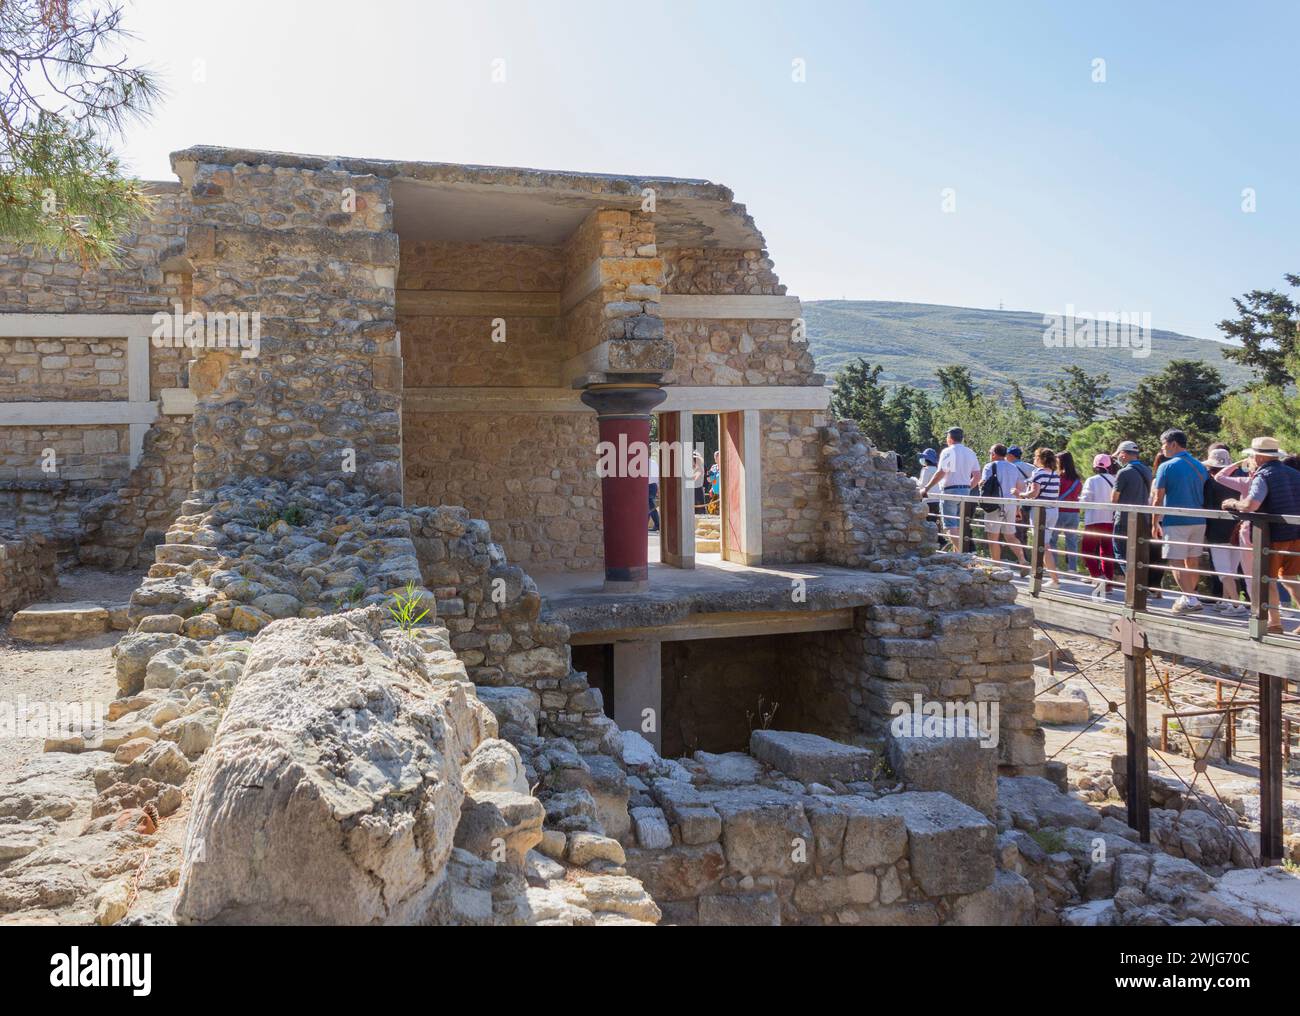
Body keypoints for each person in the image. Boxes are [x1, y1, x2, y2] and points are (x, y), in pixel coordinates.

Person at [1221, 437, 1300, 635]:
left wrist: (1232, 503)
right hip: (1296, 534)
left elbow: (1251, 505)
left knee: (1267, 579)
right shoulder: (1294, 473)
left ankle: (1274, 624)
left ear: (1259, 456)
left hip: (1273, 537)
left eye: (1253, 455)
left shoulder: (1264, 474)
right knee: (1290, 578)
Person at [1150, 429, 1209, 614]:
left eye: (1164, 444)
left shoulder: (1166, 467)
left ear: (1173, 443)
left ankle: (1190, 599)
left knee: (1175, 560)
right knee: (1193, 560)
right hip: (1199, 519)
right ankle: (1191, 596)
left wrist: (1154, 523)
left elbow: (1158, 499)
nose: (1162, 448)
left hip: (1175, 520)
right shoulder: (1199, 465)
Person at [1201, 445, 1248, 614]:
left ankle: (1236, 605)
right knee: (1233, 568)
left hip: (1217, 530)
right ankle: (1224, 600)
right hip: (1237, 528)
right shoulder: (1240, 478)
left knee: (1223, 570)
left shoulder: (1211, 482)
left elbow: (1206, 505)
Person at [920, 427, 981, 549]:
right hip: (965, 491)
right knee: (958, 525)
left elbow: (942, 472)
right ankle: (959, 553)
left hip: (950, 491)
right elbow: (977, 476)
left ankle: (963, 554)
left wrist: (926, 488)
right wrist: (968, 488)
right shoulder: (970, 452)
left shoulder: (948, 451)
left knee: (950, 525)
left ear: (950, 438)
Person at [1109, 441, 1152, 581]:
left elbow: (1114, 499)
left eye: (1118, 456)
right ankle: (1140, 585)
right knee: (1138, 554)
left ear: (1123, 454)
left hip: (1124, 519)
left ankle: (1132, 584)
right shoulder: (1147, 470)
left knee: (1121, 552)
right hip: (1143, 519)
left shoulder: (1124, 472)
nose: (1118, 459)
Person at [980, 444, 1027, 567]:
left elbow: (984, 483)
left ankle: (996, 566)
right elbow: (1019, 487)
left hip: (995, 504)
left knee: (993, 537)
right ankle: (1022, 560)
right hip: (1010, 504)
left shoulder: (989, 466)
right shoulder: (1013, 467)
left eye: (990, 452)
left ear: (994, 454)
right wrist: (1018, 508)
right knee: (1010, 536)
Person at [1021, 447, 1061, 586]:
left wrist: (1020, 493)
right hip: (1053, 510)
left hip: (1040, 511)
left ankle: (1054, 579)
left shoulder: (1038, 473)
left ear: (1041, 459)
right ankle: (1047, 576)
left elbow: (1034, 493)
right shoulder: (1055, 474)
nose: (1033, 460)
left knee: (1042, 545)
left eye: (1035, 457)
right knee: (1044, 543)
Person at [1081, 454, 1117, 596]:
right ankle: (1108, 583)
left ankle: (1097, 576)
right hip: (1110, 519)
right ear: (1108, 465)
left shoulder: (1091, 480)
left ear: (1095, 466)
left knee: (1087, 550)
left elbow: (1085, 500)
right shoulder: (1114, 480)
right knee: (1107, 551)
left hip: (1094, 519)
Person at [1053, 451, 1083, 575]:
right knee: (1071, 542)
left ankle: (1054, 567)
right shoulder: (1077, 479)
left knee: (1052, 540)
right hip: (1074, 513)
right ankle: (1073, 569)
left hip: (1060, 512)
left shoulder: (1058, 477)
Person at [916, 448, 941, 537]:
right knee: (935, 522)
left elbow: (922, 484)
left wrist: (914, 480)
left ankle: (933, 539)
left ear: (926, 459)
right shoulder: (937, 470)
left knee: (928, 523)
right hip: (938, 500)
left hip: (928, 500)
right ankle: (939, 538)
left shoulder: (926, 470)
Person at [648, 447, 660, 533]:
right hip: (653, 486)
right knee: (649, 505)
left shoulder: (643, 463)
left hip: (648, 486)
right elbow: (657, 477)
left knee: (650, 505)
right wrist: (658, 487)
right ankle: (656, 524)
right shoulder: (654, 463)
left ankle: (657, 524)